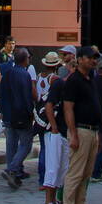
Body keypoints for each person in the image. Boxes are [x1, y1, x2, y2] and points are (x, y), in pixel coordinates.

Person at [60, 45, 102, 204]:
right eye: (90, 57)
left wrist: (100, 132)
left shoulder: (90, 78)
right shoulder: (74, 80)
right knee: (75, 173)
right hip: (81, 130)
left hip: (92, 130)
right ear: (80, 59)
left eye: (96, 58)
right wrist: (74, 134)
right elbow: (68, 108)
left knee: (86, 174)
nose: (94, 61)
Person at [0, 47, 36, 189]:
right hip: (21, 114)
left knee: (11, 145)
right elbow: (27, 97)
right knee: (26, 145)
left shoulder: (8, 73)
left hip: (8, 114)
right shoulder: (24, 75)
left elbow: (1, 93)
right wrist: (30, 112)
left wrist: (2, 110)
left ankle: (12, 174)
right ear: (25, 59)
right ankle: (12, 169)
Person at [42, 58, 70, 204]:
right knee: (53, 166)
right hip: (55, 132)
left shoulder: (62, 84)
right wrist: (54, 126)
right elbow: (49, 106)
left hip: (62, 131)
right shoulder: (59, 84)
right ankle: (48, 202)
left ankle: (54, 200)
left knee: (61, 167)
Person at [35, 52, 62, 189]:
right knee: (49, 149)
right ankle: (47, 178)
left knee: (42, 147)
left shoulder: (39, 77)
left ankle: (41, 177)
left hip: (40, 115)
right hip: (50, 114)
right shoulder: (55, 78)